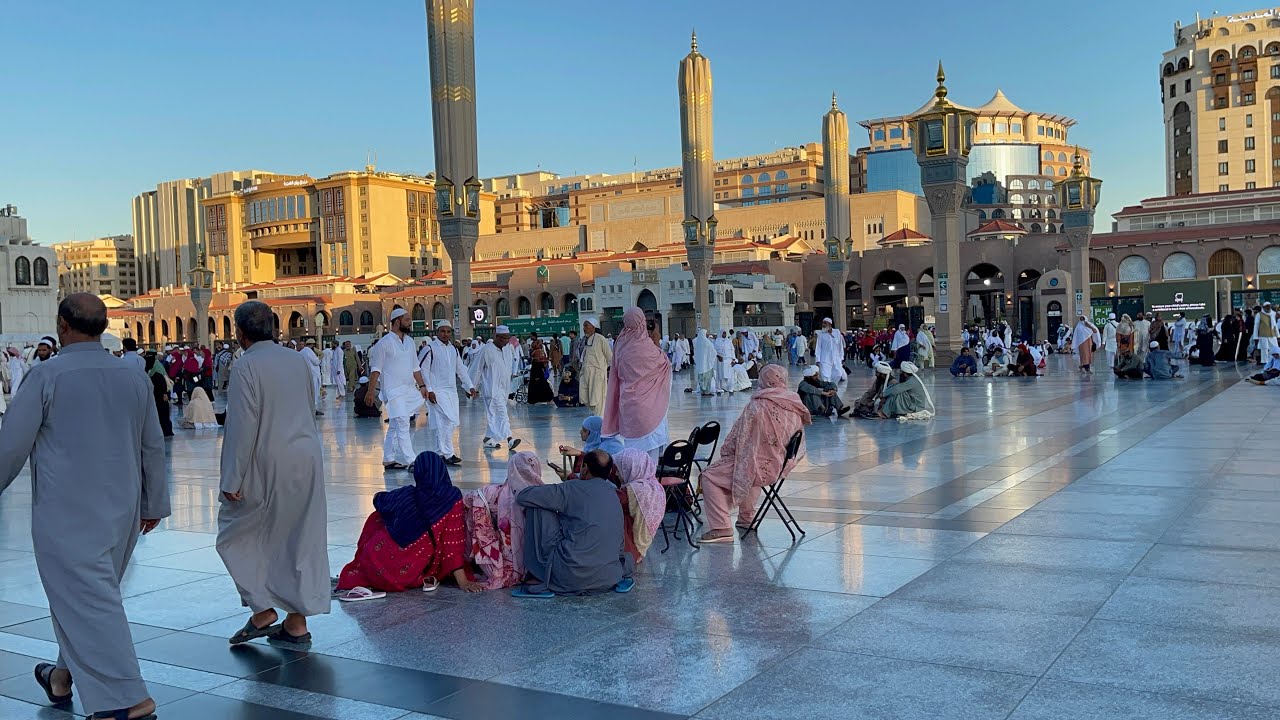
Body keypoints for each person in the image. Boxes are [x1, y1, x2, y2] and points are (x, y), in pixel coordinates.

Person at [0, 294, 168, 720]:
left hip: (67, 513)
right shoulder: (132, 375)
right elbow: (152, 444)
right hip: (123, 510)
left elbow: (11, 447)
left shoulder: (47, 375)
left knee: (89, 600)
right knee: (88, 596)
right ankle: (61, 677)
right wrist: (153, 503)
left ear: (61, 325)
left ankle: (128, 699)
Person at [218, 301, 329, 650]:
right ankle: (296, 624)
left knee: (234, 534)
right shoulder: (297, 359)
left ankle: (262, 609)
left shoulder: (246, 366)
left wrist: (232, 479)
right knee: (299, 538)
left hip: (269, 460)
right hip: (307, 457)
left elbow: (242, 426)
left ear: (240, 333)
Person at [336, 452, 480, 595]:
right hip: (404, 574)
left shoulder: (406, 494)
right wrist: (463, 582)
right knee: (438, 538)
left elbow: (379, 499)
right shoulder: (451, 498)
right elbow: (452, 545)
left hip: (372, 563)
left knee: (378, 517)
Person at [698, 364, 811, 543]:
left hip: (758, 466)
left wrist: (727, 453)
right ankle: (746, 517)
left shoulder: (757, 406)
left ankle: (721, 527)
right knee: (751, 463)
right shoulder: (794, 404)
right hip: (779, 465)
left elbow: (737, 437)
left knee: (710, 476)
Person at [511, 449, 634, 597]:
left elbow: (523, 497)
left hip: (570, 575)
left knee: (537, 505)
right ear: (608, 473)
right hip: (609, 575)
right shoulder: (613, 494)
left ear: (585, 468)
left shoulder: (571, 488)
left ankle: (538, 572)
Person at [464, 451, 546, 590]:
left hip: (500, 554)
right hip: (535, 562)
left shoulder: (495, 492)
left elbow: (467, 501)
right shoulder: (544, 494)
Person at [602, 307, 671, 458]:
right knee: (650, 461)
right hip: (650, 409)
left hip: (629, 408)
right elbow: (664, 363)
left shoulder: (620, 344)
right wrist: (656, 339)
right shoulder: (648, 347)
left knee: (633, 455)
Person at [366, 307, 430, 470]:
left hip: (408, 389)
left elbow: (415, 368)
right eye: (407, 319)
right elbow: (376, 370)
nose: (410, 322)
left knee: (395, 424)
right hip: (393, 391)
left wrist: (422, 386)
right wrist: (370, 390)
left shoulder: (409, 341)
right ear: (396, 322)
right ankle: (411, 460)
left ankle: (389, 458)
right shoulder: (384, 343)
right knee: (402, 422)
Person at [418, 322, 477, 465]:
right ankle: (448, 453)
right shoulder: (429, 348)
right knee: (445, 420)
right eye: (442, 331)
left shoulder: (453, 350)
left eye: (448, 331)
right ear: (437, 332)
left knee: (446, 422)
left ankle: (439, 452)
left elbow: (460, 369)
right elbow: (423, 370)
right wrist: (429, 390)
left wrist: (469, 386)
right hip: (436, 391)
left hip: (451, 391)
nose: (445, 334)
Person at [470, 325, 522, 452]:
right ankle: (510, 439)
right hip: (491, 389)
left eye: (507, 338)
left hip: (504, 389)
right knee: (501, 413)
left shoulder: (508, 349)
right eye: (503, 338)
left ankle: (488, 439)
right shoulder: (487, 350)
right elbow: (476, 369)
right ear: (496, 337)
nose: (505, 341)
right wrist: (471, 387)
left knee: (495, 415)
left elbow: (512, 364)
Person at [614, 448, 665, 563]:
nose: (617, 474)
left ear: (631, 469)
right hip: (640, 546)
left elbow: (605, 500)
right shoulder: (654, 485)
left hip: (628, 548)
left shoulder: (634, 491)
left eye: (619, 469)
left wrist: (573, 478)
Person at [577, 317, 612, 415]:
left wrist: (609, 371)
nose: (584, 328)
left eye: (586, 326)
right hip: (585, 373)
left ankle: (600, 419)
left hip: (597, 374)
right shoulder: (584, 340)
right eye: (584, 326)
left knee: (597, 398)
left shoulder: (601, 339)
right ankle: (596, 414)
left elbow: (610, 357)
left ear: (593, 327)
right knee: (584, 396)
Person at [146, 351, 175, 437]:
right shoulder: (151, 366)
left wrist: (165, 393)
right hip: (155, 394)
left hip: (161, 394)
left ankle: (166, 430)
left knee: (162, 413)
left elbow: (162, 380)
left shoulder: (157, 367)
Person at [814, 318, 845, 383]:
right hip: (824, 358)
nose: (823, 325)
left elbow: (840, 346)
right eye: (823, 323)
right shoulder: (821, 335)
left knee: (838, 373)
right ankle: (828, 387)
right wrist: (817, 359)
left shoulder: (837, 333)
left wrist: (842, 357)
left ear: (830, 324)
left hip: (836, 357)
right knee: (825, 374)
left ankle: (833, 385)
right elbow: (818, 348)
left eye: (825, 323)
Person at [526, 337, 554, 404]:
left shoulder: (535, 352)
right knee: (542, 384)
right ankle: (545, 398)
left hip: (535, 370)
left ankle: (535, 399)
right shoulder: (540, 351)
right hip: (539, 370)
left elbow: (534, 360)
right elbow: (543, 361)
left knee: (535, 385)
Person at [301, 338, 323, 414]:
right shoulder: (309, 351)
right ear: (312, 345)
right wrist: (320, 357)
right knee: (314, 392)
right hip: (313, 375)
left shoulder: (302, 351)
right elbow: (316, 362)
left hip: (306, 375)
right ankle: (314, 410)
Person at [693, 329, 717, 396]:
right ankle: (707, 392)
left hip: (700, 365)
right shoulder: (707, 342)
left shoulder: (698, 342)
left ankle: (702, 392)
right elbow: (713, 351)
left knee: (701, 378)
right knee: (707, 378)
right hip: (707, 365)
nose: (707, 334)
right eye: (706, 333)